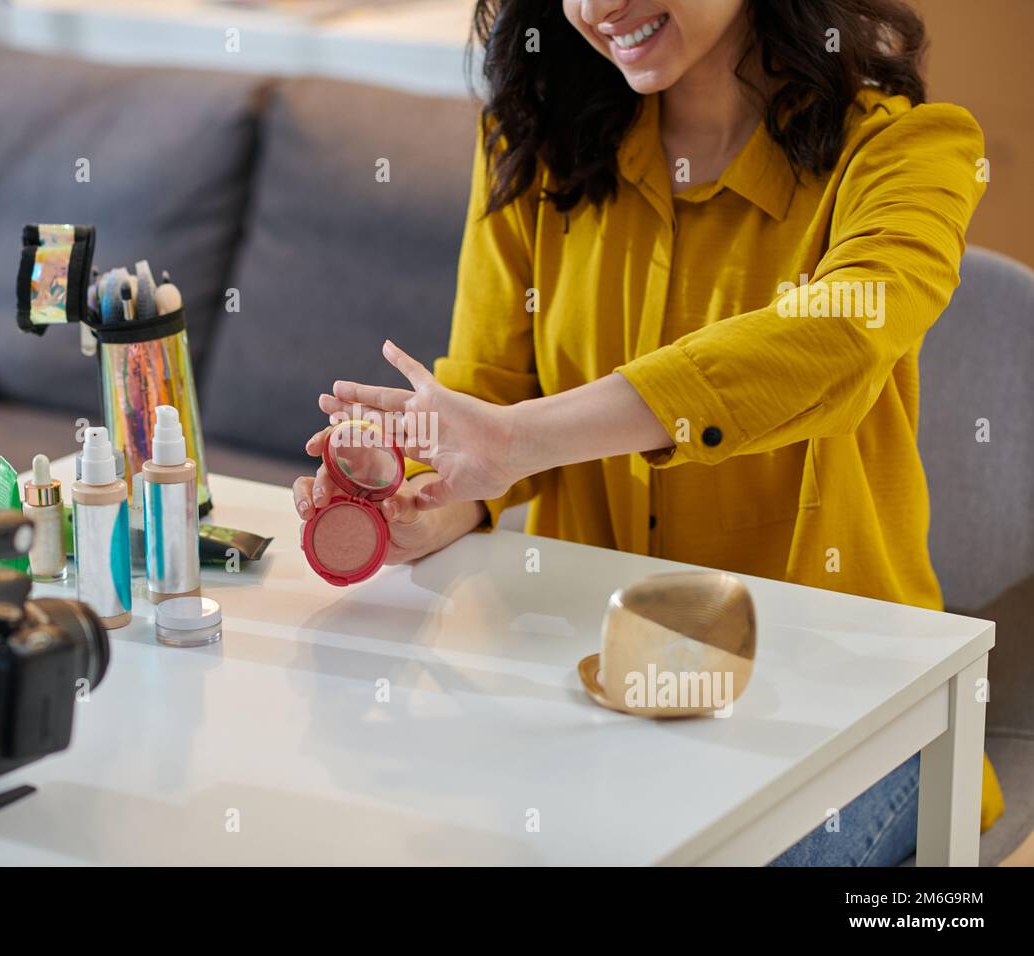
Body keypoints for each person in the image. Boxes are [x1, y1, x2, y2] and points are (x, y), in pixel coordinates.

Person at [291, 0, 1003, 865]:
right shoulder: (536, 141)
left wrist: (515, 441)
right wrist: (418, 498)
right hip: (593, 683)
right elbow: (492, 394)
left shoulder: (911, 150)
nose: (598, 9)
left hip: (846, 709)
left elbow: (837, 339)